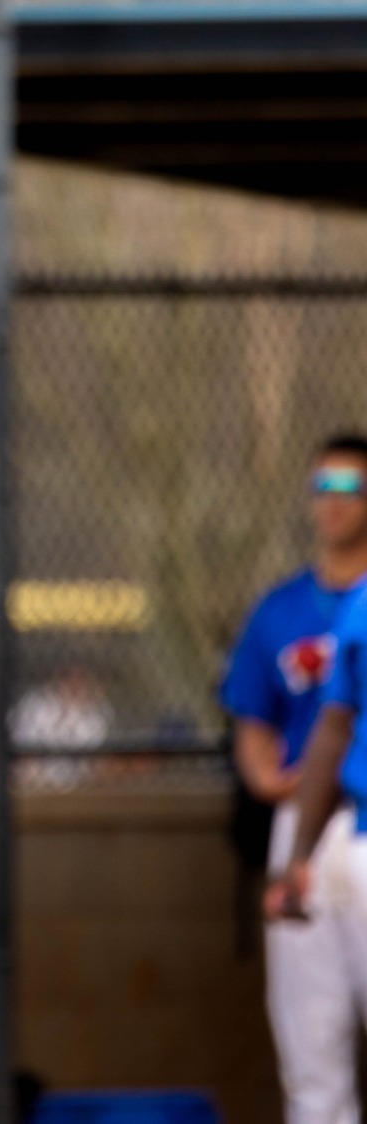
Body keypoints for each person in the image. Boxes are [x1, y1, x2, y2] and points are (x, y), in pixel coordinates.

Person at [229, 434, 367, 1124]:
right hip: (313, 821)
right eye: (323, 488)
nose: (333, 503)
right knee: (312, 1046)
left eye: (349, 489)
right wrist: (269, 784)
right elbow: (263, 719)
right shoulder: (286, 609)